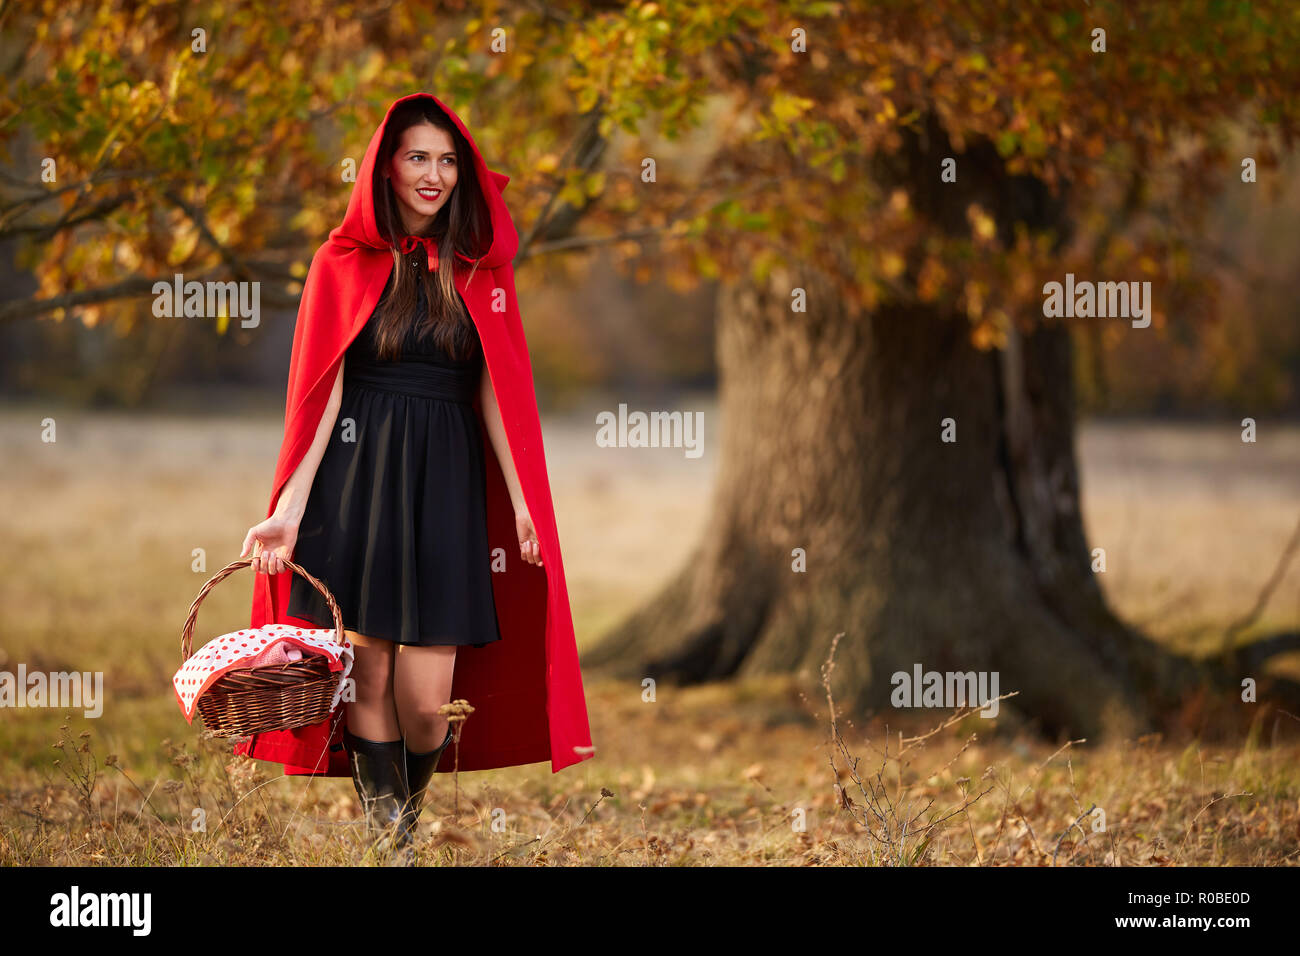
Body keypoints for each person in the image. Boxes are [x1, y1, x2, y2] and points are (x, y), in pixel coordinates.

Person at [235, 93, 594, 857]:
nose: (433, 175)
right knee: (367, 682)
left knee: (428, 705)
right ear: (385, 168)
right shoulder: (342, 262)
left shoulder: (481, 269)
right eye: (416, 158)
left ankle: (399, 822)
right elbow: (322, 391)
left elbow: (498, 389)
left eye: (447, 159)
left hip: (447, 487)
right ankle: (390, 844)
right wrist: (291, 508)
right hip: (357, 479)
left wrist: (527, 505)